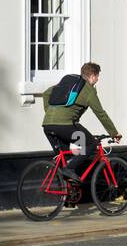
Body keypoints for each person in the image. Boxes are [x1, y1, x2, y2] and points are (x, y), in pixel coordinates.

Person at [41, 62, 121, 200]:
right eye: (97, 76)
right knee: (90, 144)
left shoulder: (71, 83)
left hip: (48, 125)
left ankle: (67, 194)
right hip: (65, 125)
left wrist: (50, 113)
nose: (97, 80)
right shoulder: (88, 89)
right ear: (91, 76)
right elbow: (100, 113)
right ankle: (70, 168)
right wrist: (114, 133)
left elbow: (46, 93)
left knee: (66, 157)